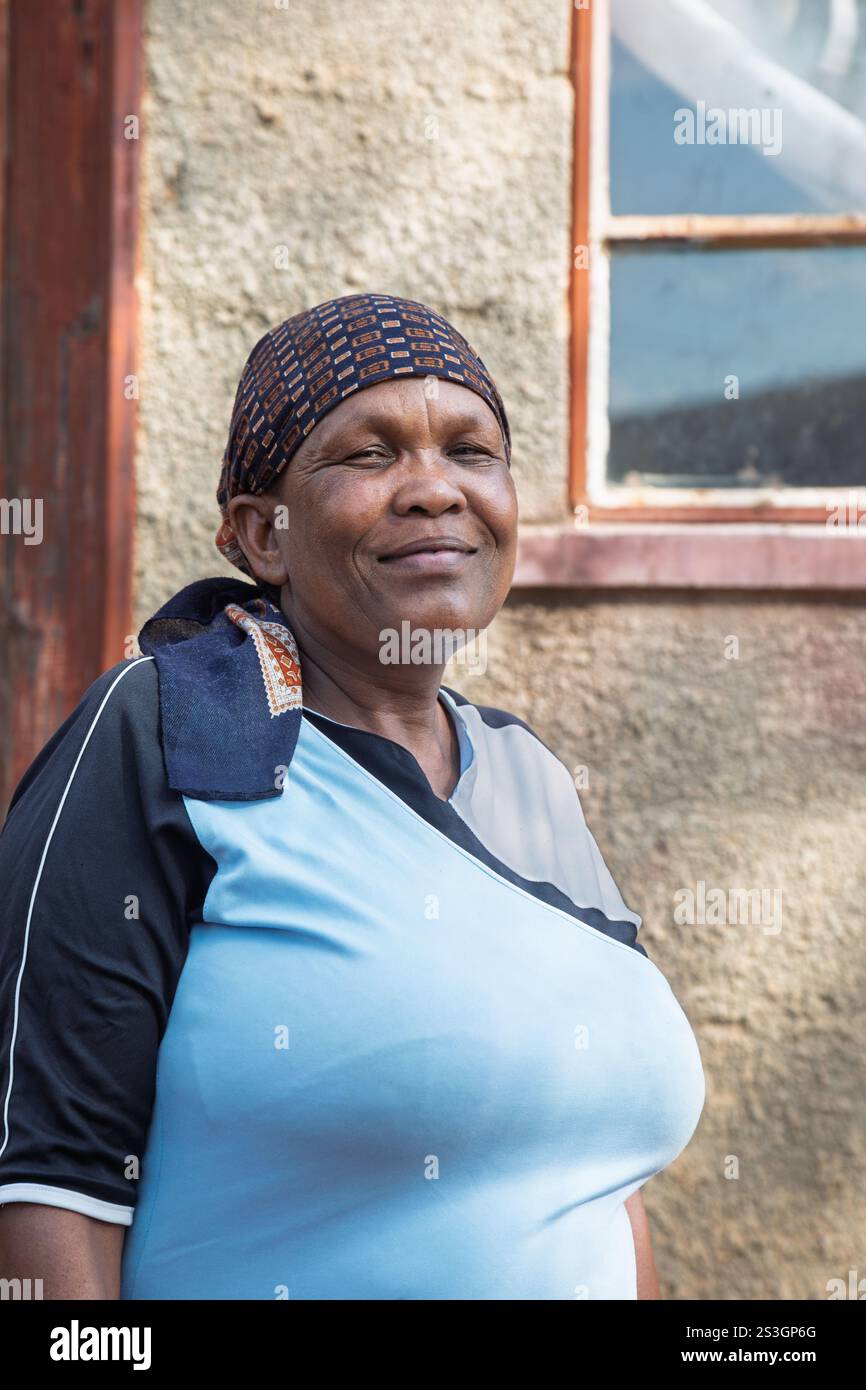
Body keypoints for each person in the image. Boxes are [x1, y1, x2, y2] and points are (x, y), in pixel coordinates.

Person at [0, 292, 704, 1299]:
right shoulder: (167, 735)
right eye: (367, 456)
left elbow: (598, 1181)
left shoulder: (531, 778)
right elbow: (43, 1188)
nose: (432, 490)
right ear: (263, 535)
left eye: (470, 451)